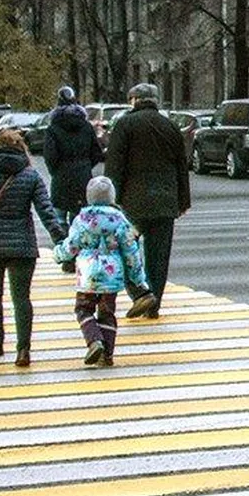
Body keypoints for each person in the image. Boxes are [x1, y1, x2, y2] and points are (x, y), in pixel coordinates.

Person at [0, 128, 65, 367]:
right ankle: (23, 351)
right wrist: (62, 241)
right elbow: (46, 213)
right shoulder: (31, 177)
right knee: (22, 299)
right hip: (24, 246)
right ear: (22, 150)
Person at [105, 82, 185, 319]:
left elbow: (115, 165)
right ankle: (155, 304)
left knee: (124, 249)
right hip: (166, 202)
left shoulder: (125, 124)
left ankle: (140, 294)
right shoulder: (170, 126)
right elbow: (181, 166)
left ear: (135, 100)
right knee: (159, 257)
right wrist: (182, 201)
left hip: (134, 203)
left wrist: (111, 200)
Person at [53, 175, 149, 369]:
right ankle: (107, 355)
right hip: (111, 274)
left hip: (87, 273)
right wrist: (139, 279)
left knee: (83, 308)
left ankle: (94, 340)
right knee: (107, 313)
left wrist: (58, 255)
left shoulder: (81, 219)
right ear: (112, 197)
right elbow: (131, 251)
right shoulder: (120, 219)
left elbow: (71, 246)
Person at [43, 85, 104, 226]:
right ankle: (77, 243)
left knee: (59, 217)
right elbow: (96, 152)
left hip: (61, 176)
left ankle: (62, 243)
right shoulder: (86, 126)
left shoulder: (53, 128)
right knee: (80, 217)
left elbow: (50, 155)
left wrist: (56, 170)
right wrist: (85, 165)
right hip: (83, 176)